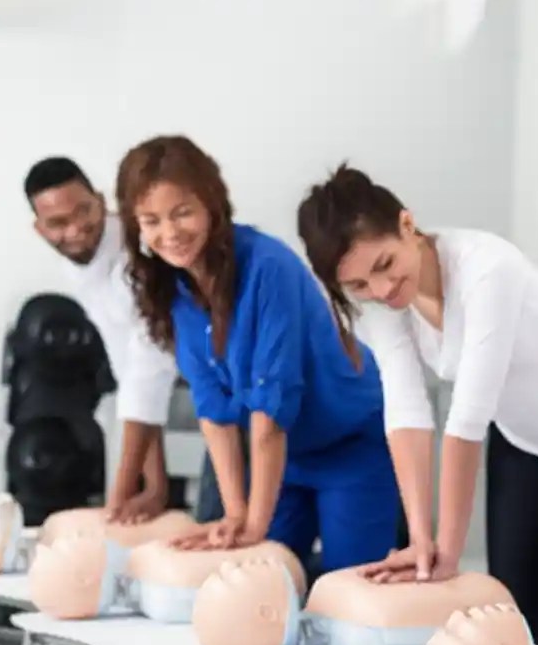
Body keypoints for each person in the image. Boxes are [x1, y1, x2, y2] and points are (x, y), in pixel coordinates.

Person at [295, 165, 538, 642]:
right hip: (523, 444)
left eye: (385, 265)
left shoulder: (488, 268)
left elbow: (467, 417)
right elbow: (407, 411)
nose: (382, 290)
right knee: (514, 617)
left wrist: (447, 552)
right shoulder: (381, 305)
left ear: (407, 225)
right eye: (359, 287)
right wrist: (421, 541)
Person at [115, 136, 402, 574]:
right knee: (258, 581)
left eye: (182, 212)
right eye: (151, 221)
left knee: (347, 590)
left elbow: (271, 409)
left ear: (212, 202)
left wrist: (253, 526)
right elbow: (213, 411)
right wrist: (236, 516)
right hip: (285, 462)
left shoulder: (269, 266)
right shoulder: (173, 289)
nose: (169, 234)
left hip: (351, 446)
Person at [24, 156, 233, 525]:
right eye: (58, 223)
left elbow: (148, 373)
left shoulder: (138, 258)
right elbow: (130, 374)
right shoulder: (76, 266)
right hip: (186, 385)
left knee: (219, 524)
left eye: (83, 212)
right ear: (39, 229)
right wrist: (153, 488)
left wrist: (118, 500)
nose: (74, 230)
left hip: (238, 388)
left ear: (101, 202)